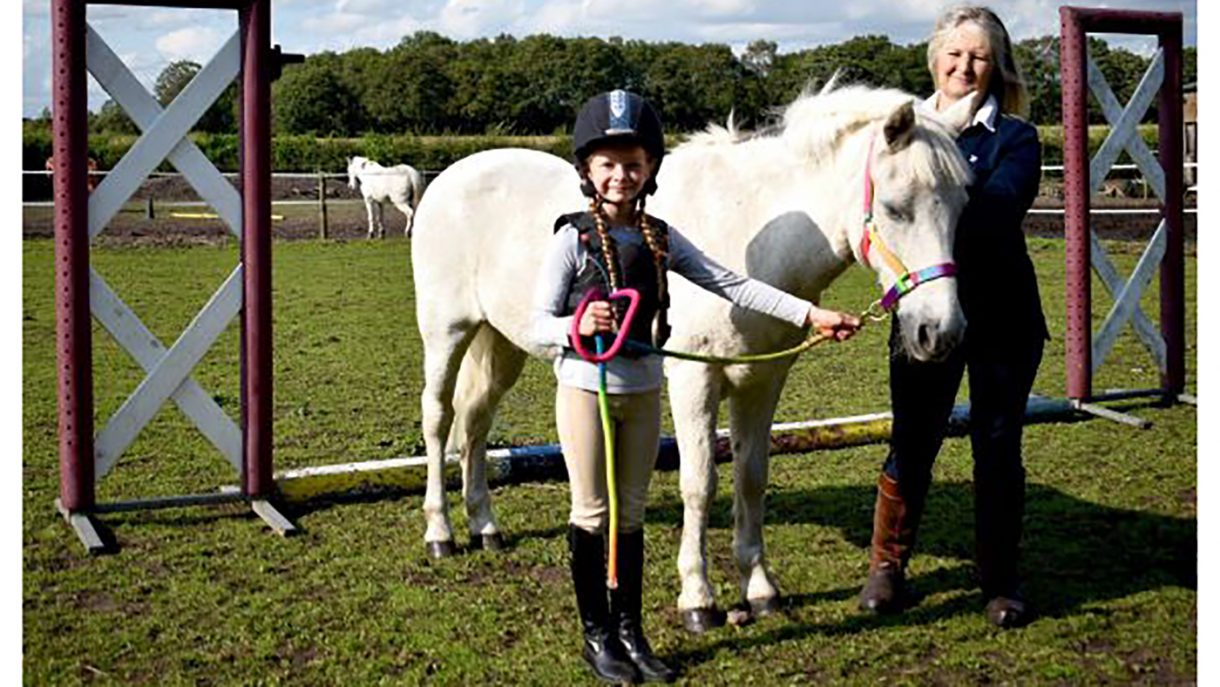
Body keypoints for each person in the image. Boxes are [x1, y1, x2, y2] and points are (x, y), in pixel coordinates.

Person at [531, 90, 860, 683]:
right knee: (592, 510)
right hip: (587, 387)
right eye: (606, 164)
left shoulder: (660, 238)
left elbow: (731, 282)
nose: (620, 176)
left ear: (650, 168)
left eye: (632, 163)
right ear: (587, 170)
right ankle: (597, 635)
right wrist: (574, 325)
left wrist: (811, 315)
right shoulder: (571, 240)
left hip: (643, 386)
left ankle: (631, 631)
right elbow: (536, 324)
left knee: (631, 515)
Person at [856, 5, 1048, 628]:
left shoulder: (1015, 138)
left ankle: (1000, 579)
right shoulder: (900, 131)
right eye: (955, 53)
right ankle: (887, 568)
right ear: (934, 58)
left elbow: (995, 211)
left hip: (1002, 318)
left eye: (980, 56)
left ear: (997, 68)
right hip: (925, 311)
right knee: (912, 441)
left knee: (998, 445)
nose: (965, 66)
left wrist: (925, 206)